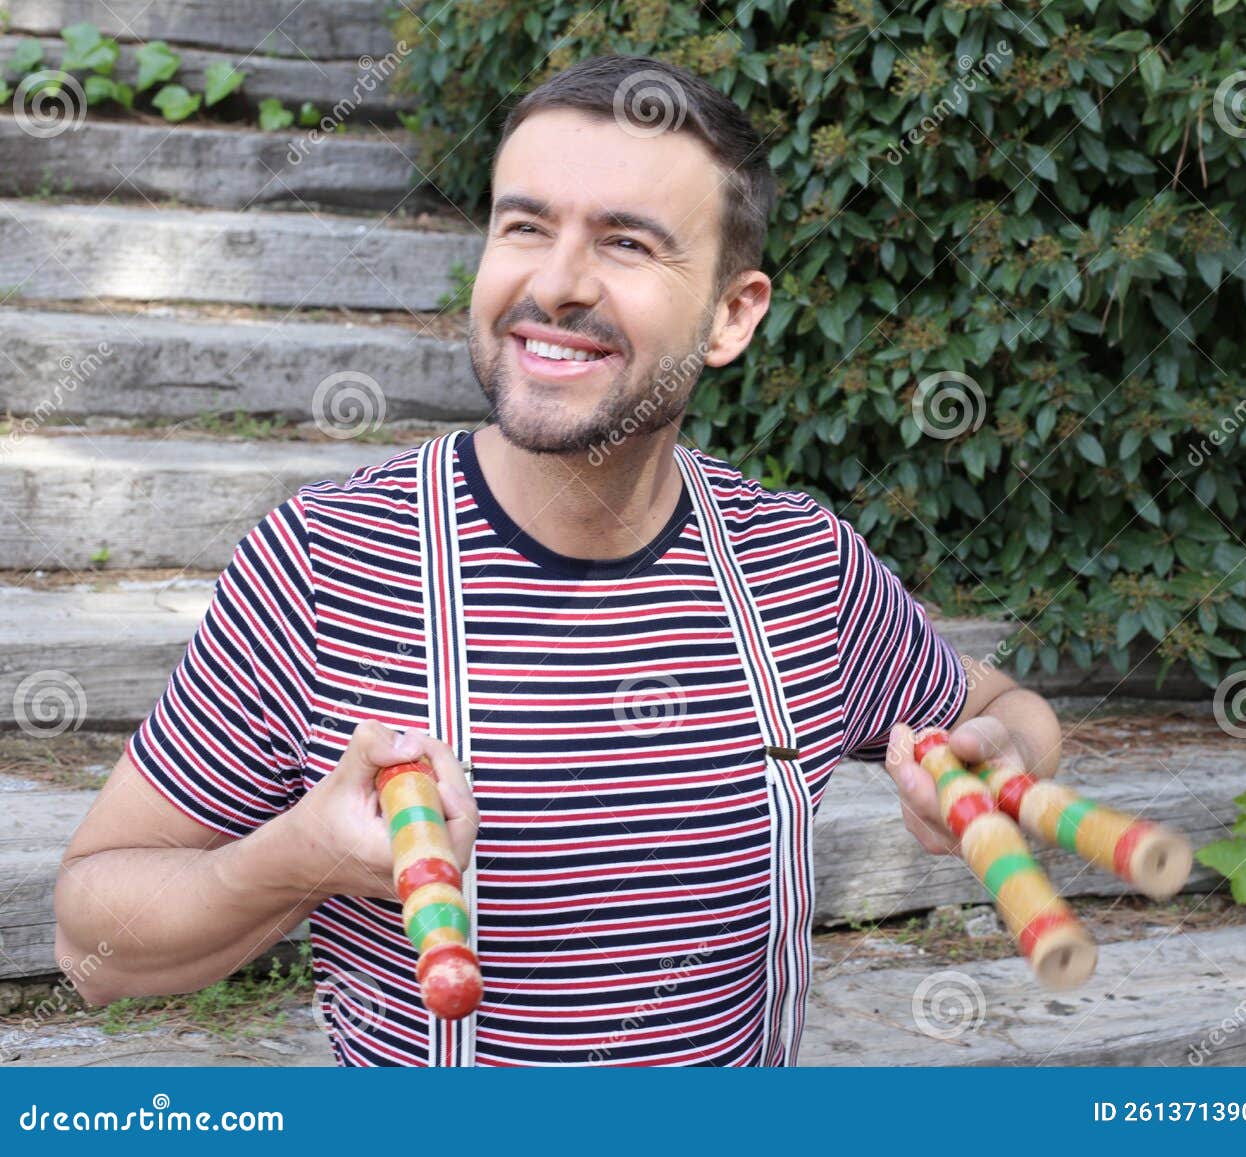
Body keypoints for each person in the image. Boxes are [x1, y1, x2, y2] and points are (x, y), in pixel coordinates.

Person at [53, 54, 1062, 1066]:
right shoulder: (322, 564)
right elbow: (91, 942)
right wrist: (294, 858)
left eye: (625, 243)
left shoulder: (804, 567)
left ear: (731, 313)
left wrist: (1004, 756)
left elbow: (1004, 708)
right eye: (524, 226)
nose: (555, 283)